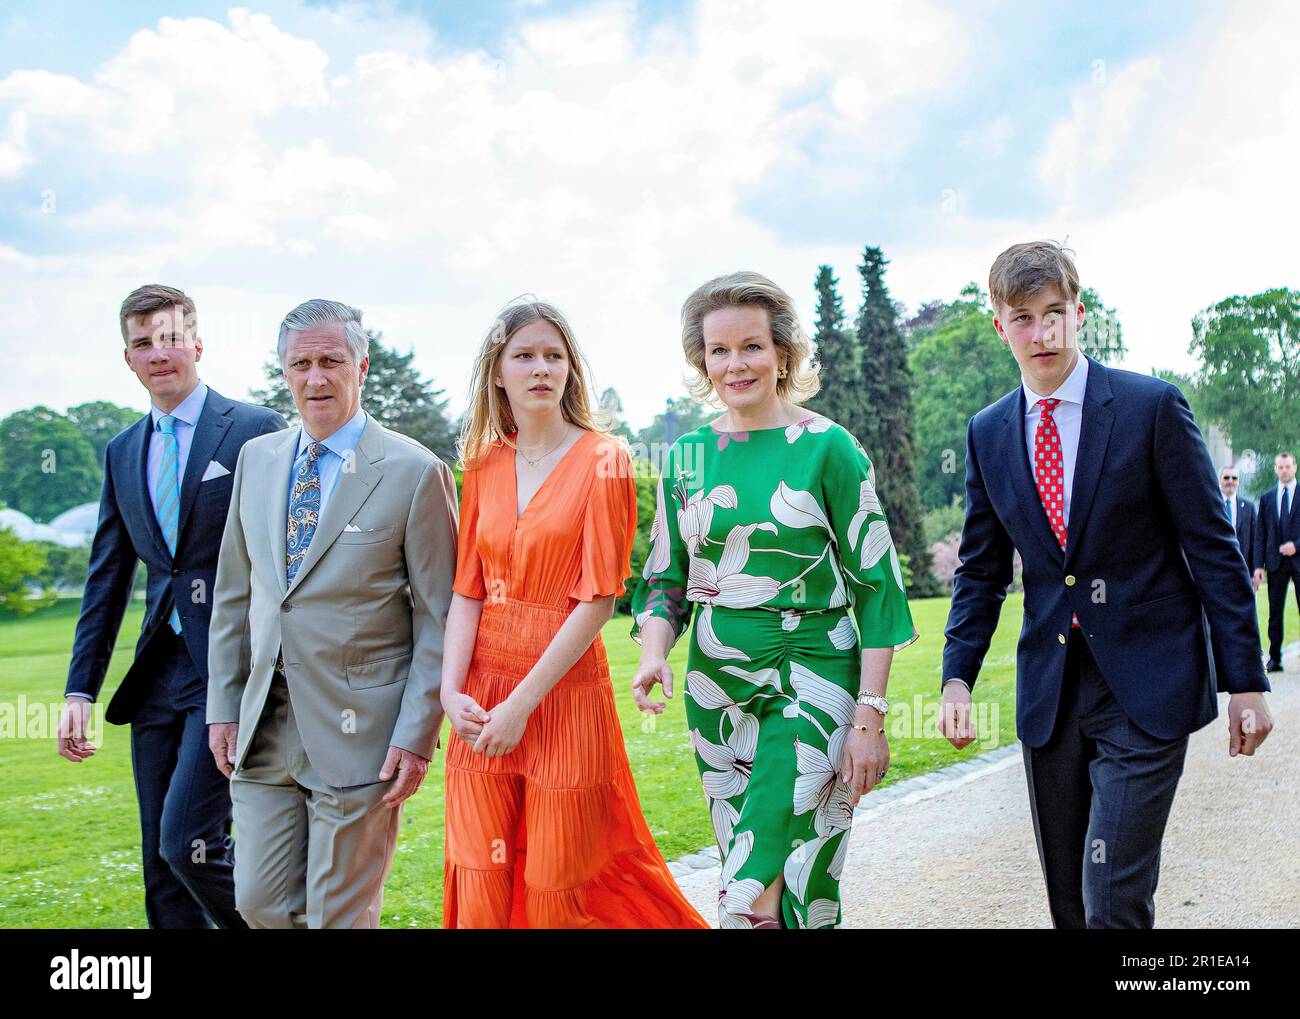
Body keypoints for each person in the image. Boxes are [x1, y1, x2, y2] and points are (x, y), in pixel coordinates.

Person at [941, 241, 1274, 929]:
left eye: (1055, 313)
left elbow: (1213, 549)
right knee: (1069, 901)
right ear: (1000, 326)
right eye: (1024, 318)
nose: (1043, 333)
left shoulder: (1151, 408)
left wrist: (1247, 679)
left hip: (1148, 686)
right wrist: (956, 678)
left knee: (1112, 898)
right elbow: (980, 568)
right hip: (1051, 697)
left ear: (1080, 313)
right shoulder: (988, 433)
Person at [630, 271, 917, 929]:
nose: (736, 364)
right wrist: (653, 654)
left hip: (812, 679)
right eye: (720, 350)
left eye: (751, 346)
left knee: (751, 887)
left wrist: (870, 715)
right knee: (783, 877)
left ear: (783, 353)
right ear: (702, 359)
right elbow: (664, 581)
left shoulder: (830, 448)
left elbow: (878, 588)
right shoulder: (688, 457)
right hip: (717, 689)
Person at [440, 298, 707, 929]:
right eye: (524, 356)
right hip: (480, 694)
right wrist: (450, 691)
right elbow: (466, 591)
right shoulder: (481, 463)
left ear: (570, 370)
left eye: (553, 357)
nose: (541, 369)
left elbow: (598, 599)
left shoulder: (603, 459)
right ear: (496, 372)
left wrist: (522, 705)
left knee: (559, 883)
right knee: (479, 870)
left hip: (562, 697)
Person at [207, 299, 458, 928]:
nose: (315, 378)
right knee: (258, 904)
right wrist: (222, 707)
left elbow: (438, 614)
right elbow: (235, 595)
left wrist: (416, 733)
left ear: (361, 366)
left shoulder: (414, 471)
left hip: (360, 730)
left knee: (337, 917)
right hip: (263, 724)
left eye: (331, 361)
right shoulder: (257, 461)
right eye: (301, 364)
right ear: (285, 371)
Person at [59, 284, 286, 928]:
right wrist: (81, 689)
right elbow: (107, 578)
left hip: (227, 672)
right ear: (127, 358)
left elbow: (286, 558)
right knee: (158, 864)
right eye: (142, 343)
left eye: (170, 337)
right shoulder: (123, 451)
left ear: (197, 344)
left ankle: (276, 920)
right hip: (155, 675)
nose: (158, 353)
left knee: (186, 842)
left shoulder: (254, 430)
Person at [1253, 452, 1300, 672]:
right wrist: (1258, 566)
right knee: (1275, 612)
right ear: (1275, 469)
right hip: (1275, 563)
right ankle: (1275, 658)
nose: (1284, 470)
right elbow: (1260, 534)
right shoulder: (1267, 498)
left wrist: (1296, 546)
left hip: (1299, 560)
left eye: (1288, 466)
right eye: (1280, 467)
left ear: (1295, 467)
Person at [1219, 464, 1258, 587]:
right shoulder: (1211, 507)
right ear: (1219, 480)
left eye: (1234, 478)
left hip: (1242, 569)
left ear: (1238, 481)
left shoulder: (1249, 507)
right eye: (1226, 478)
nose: (1230, 481)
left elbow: (1254, 541)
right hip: (1217, 567)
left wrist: (1255, 572)